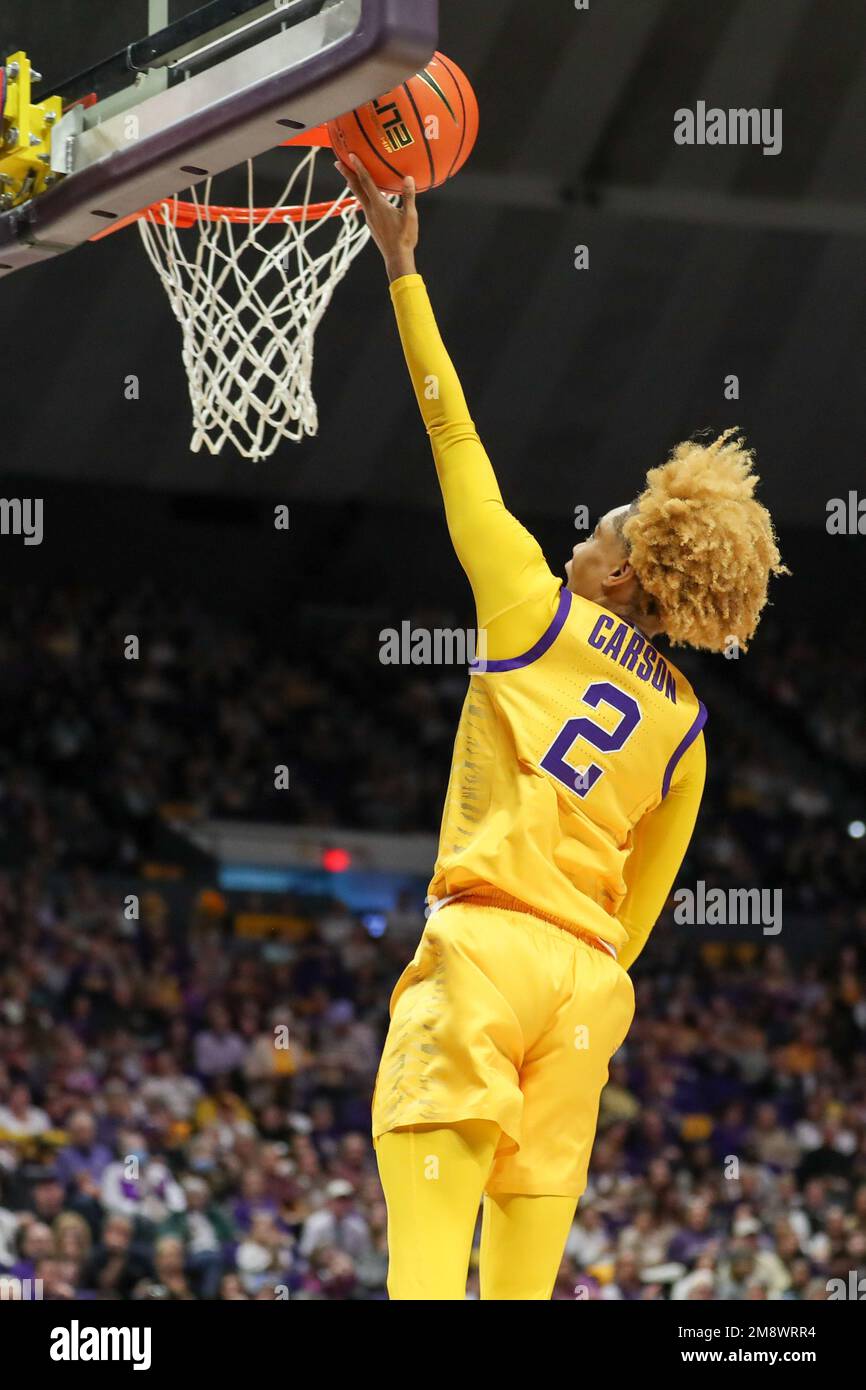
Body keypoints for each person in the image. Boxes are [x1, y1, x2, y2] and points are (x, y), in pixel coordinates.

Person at [336, 155, 786, 1301]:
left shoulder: (532, 610)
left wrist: (402, 272)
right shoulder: (685, 727)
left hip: (484, 952)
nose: (583, 528)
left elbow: (455, 446)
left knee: (428, 1279)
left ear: (625, 572)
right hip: (584, 990)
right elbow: (634, 917)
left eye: (607, 525)